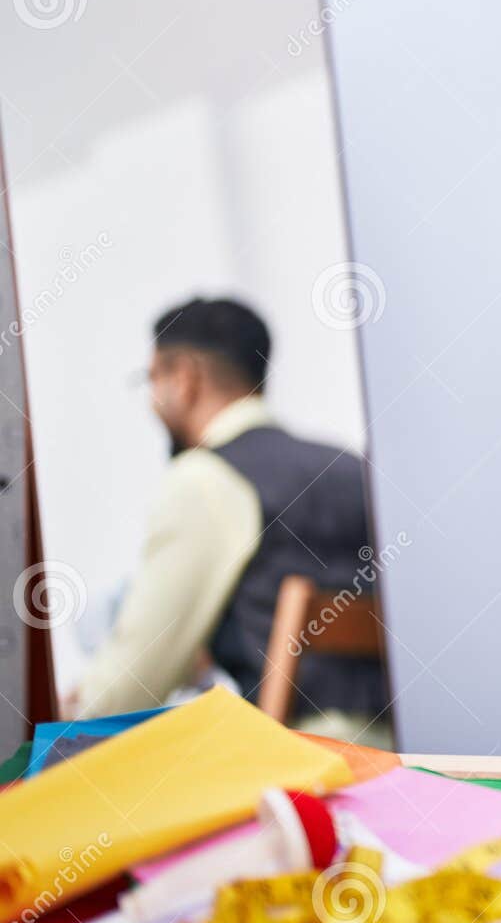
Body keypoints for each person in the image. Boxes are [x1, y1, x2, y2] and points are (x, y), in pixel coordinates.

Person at [69, 297, 389, 745]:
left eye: (152, 381)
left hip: (302, 773)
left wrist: (67, 719)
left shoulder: (204, 479)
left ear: (183, 380)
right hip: (408, 753)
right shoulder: (349, 466)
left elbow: (128, 687)